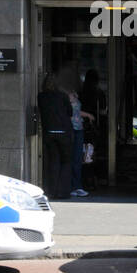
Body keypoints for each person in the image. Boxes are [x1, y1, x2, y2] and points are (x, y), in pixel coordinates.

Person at [37, 71, 73, 199]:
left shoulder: (41, 97)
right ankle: (63, 191)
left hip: (49, 132)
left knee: (53, 161)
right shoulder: (62, 96)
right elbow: (70, 112)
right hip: (64, 132)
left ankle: (51, 191)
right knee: (66, 162)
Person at [60, 64, 93, 198]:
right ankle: (74, 186)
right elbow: (72, 111)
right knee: (74, 159)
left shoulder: (72, 91)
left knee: (77, 159)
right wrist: (87, 115)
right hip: (72, 129)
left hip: (78, 129)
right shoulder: (64, 92)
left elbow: (76, 110)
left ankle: (76, 186)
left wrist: (88, 116)